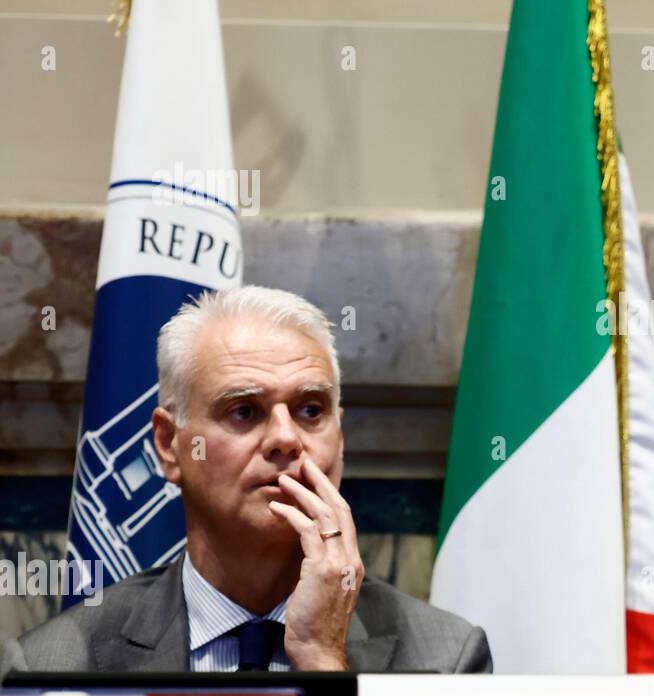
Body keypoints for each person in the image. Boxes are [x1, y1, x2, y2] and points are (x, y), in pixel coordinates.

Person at [1, 286, 490, 675]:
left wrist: (322, 660)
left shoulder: (444, 661)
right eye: (244, 411)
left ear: (340, 440)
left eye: (311, 410)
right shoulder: (54, 666)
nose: (285, 438)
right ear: (170, 446)